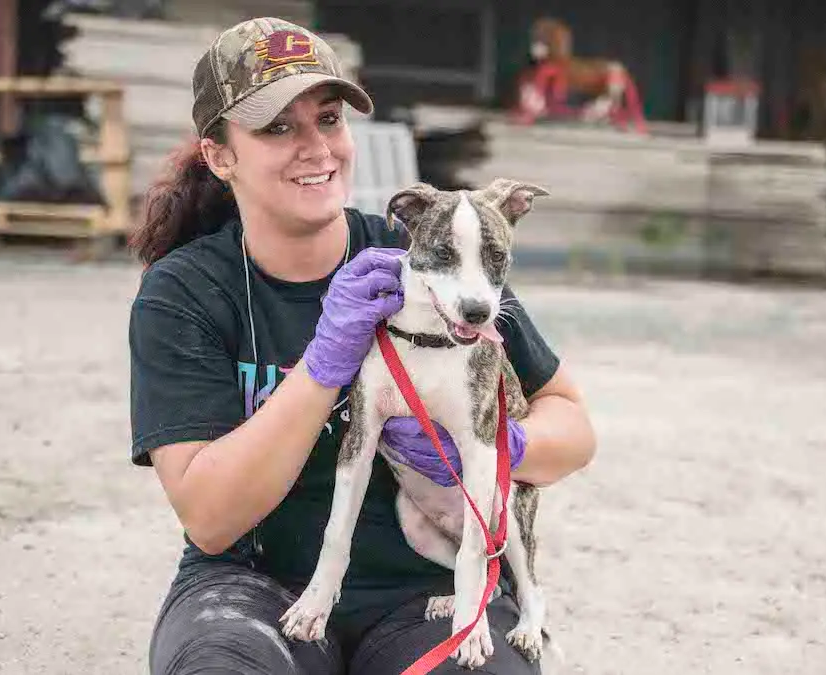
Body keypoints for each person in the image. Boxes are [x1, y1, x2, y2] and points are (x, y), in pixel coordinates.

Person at [127, 17, 596, 675]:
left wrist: (505, 446)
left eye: (328, 119)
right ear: (219, 155)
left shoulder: (430, 256)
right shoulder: (188, 292)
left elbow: (574, 427)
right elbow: (209, 516)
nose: (317, 147)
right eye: (277, 127)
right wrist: (326, 361)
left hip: (424, 589)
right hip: (251, 586)